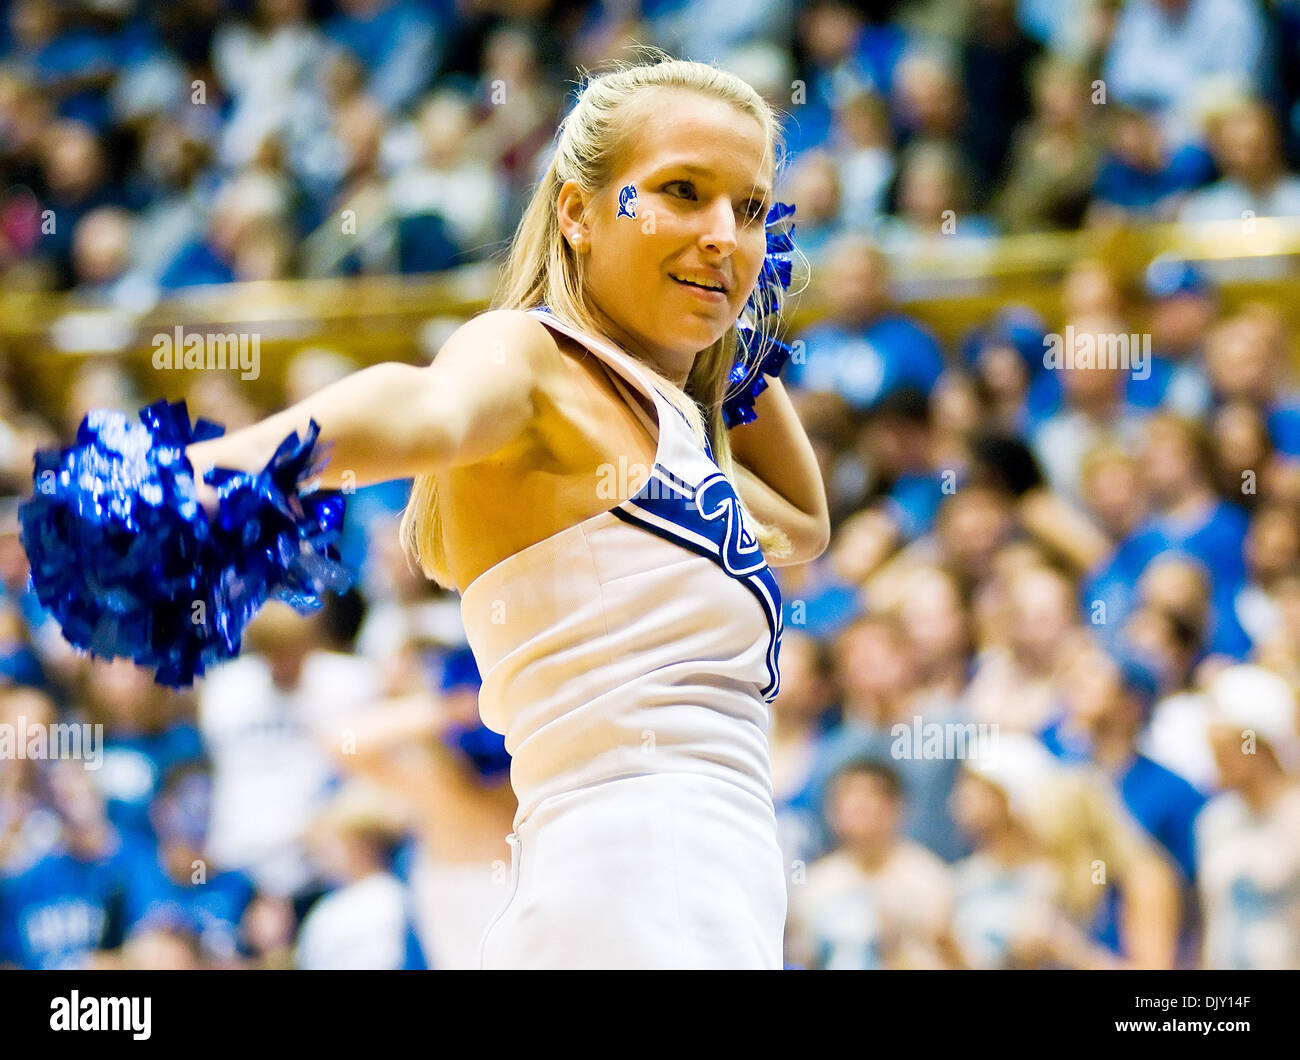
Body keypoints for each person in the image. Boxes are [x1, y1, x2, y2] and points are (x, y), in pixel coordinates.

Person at [184, 52, 830, 969]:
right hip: (636, 885)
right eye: (683, 190)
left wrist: (734, 325)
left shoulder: (674, 431)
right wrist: (205, 478)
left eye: (751, 207)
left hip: (685, 892)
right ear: (576, 211)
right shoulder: (531, 357)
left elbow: (803, 524)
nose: (725, 230)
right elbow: (420, 410)